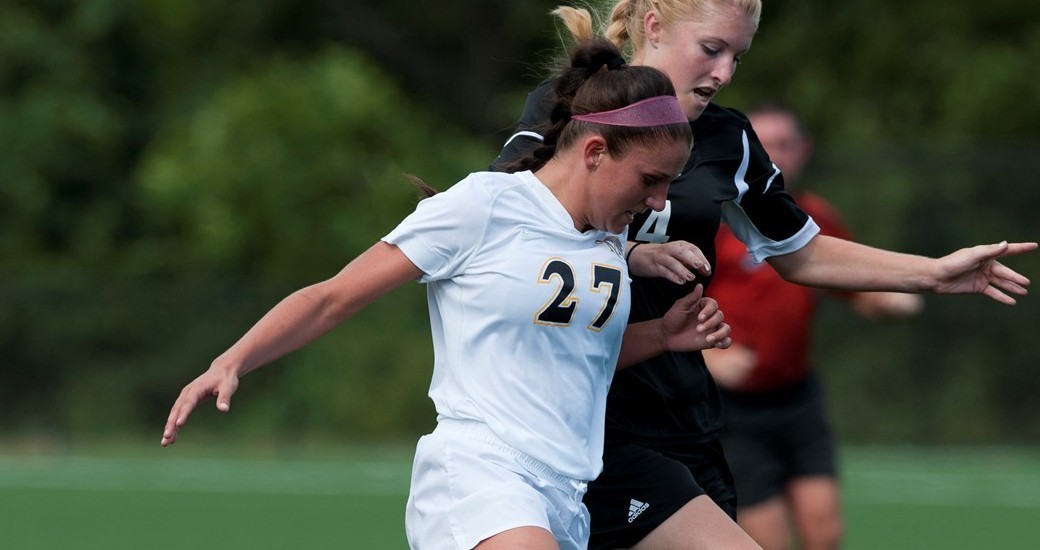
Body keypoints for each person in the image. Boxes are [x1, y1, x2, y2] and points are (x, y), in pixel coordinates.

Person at [491, 2, 1036, 549]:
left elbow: (802, 253)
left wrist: (935, 273)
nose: (724, 73)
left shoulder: (729, 139)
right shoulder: (570, 108)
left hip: (683, 418)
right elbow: (500, 222)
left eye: (737, 56)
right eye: (711, 49)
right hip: (581, 414)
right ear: (653, 27)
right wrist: (630, 253)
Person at [160, 39, 736, 550]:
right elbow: (333, 296)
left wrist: (663, 335)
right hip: (481, 476)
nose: (660, 203)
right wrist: (235, 358)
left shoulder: (608, 240)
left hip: (567, 492)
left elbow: (582, 358)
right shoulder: (484, 206)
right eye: (650, 181)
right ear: (593, 153)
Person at [702, 102, 923, 550]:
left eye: (785, 144)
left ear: (804, 150)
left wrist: (895, 295)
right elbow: (676, 304)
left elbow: (849, 284)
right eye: (765, 146)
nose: (775, 155)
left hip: (797, 397)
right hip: (734, 410)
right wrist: (710, 356)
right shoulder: (715, 219)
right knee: (768, 543)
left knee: (825, 534)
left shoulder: (815, 216)